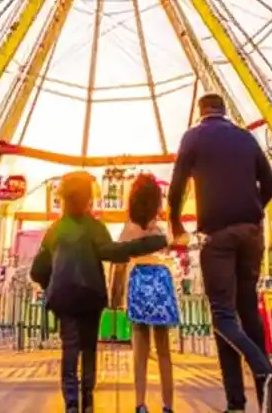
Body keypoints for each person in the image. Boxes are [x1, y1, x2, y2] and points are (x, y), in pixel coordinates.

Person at [167, 93, 272, 413]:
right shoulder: (246, 138)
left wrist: (176, 223)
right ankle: (262, 398)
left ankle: (255, 381)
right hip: (251, 234)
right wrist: (252, 211)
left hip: (217, 236)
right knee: (248, 312)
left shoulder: (194, 137)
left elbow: (177, 186)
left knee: (222, 316)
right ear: (224, 110)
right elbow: (271, 184)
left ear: (200, 110)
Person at [31, 171, 168, 413]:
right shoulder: (95, 228)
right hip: (89, 295)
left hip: (63, 297)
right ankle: (88, 401)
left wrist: (51, 284)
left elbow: (38, 269)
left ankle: (71, 403)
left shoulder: (56, 230)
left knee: (69, 348)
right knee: (89, 348)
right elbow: (115, 251)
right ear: (87, 199)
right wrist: (156, 242)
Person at [113, 173, 179, 413]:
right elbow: (173, 244)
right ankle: (167, 405)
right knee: (164, 350)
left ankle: (140, 403)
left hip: (139, 279)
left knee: (140, 349)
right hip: (161, 280)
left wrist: (115, 295)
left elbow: (119, 260)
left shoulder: (129, 229)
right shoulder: (160, 229)